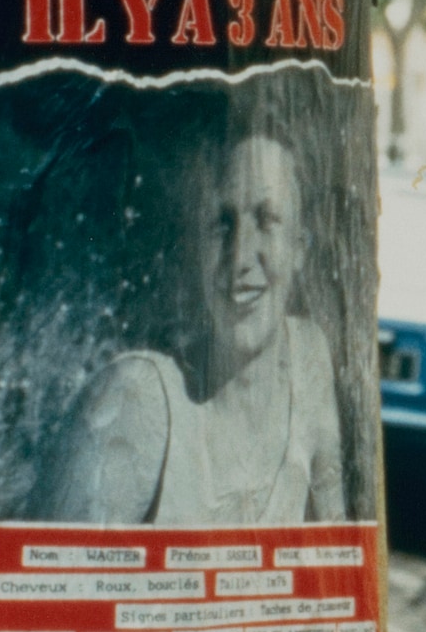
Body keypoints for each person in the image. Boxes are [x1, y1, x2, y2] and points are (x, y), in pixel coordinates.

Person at [40, 132, 349, 526]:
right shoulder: (136, 399)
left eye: (267, 220)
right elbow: (50, 579)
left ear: (300, 249)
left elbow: (335, 545)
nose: (239, 256)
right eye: (222, 224)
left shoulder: (308, 356)